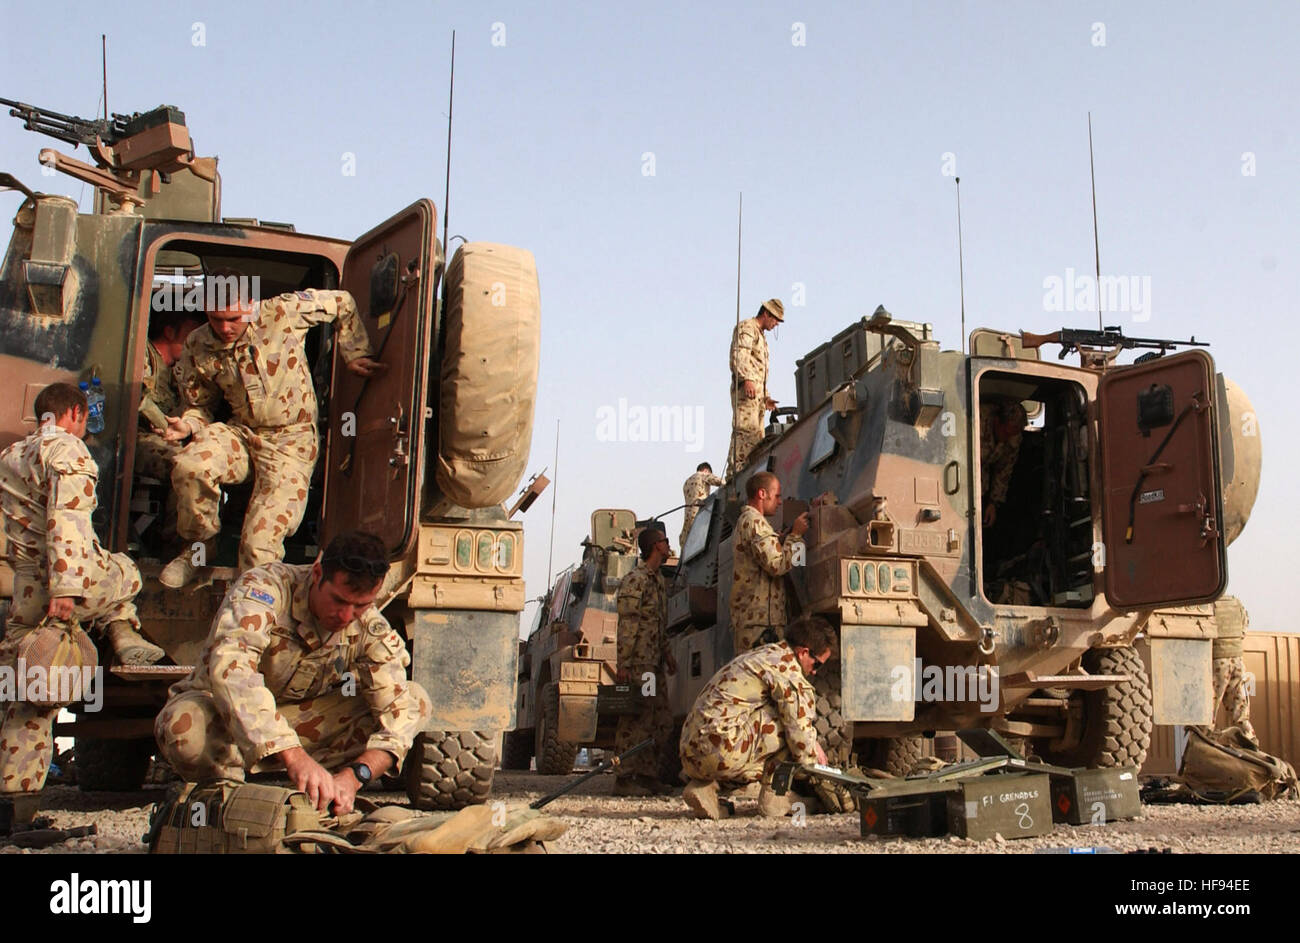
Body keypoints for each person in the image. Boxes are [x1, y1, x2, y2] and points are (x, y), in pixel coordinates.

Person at [154, 530, 432, 814]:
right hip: (228, 723)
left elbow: (397, 714)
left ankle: (316, 788)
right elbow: (231, 673)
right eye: (338, 601)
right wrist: (295, 757)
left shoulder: (369, 627)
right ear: (316, 574)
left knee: (415, 699)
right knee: (184, 728)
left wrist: (353, 778)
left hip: (301, 724)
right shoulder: (266, 588)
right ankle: (227, 787)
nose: (347, 616)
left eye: (360, 605)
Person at [159, 282, 385, 587]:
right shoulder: (198, 344)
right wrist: (188, 425)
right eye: (216, 319)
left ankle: (252, 615)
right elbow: (200, 406)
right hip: (243, 433)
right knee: (190, 465)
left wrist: (354, 352)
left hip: (291, 441)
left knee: (258, 545)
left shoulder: (281, 312)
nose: (225, 328)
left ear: (250, 305)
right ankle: (200, 548)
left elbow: (342, 301)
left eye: (234, 318)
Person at [0, 383, 159, 795]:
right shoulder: (68, 450)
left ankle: (16, 800)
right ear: (76, 413)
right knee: (126, 573)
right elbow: (66, 518)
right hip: (60, 582)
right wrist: (67, 588)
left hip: (24, 585)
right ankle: (123, 632)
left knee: (29, 690)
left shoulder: (12, 455)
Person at [678, 615, 835, 819]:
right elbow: (800, 737)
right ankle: (776, 798)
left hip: (690, 754)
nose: (814, 672)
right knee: (790, 723)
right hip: (718, 752)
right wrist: (820, 774)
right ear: (803, 652)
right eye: (817, 665)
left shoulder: (764, 654)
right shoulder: (787, 670)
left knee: (777, 718)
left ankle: (703, 787)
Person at [612, 527, 678, 796]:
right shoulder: (635, 580)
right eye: (665, 541)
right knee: (636, 719)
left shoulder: (657, 580)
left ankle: (648, 774)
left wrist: (668, 655)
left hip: (654, 664)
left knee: (660, 720)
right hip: (639, 664)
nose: (668, 545)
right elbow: (628, 624)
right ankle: (624, 777)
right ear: (654, 546)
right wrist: (624, 664)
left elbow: (658, 624)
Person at [731, 471, 808, 652]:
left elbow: (796, 563)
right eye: (777, 496)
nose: (780, 502)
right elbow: (778, 566)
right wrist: (796, 536)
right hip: (759, 625)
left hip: (763, 622)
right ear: (762, 494)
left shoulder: (754, 522)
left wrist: (785, 540)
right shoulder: (754, 522)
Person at [728, 298, 783, 475]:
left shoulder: (760, 335)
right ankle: (735, 474)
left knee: (755, 438)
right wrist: (746, 380)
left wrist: (766, 397)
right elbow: (739, 355)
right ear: (765, 313)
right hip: (746, 392)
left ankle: (747, 472)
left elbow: (759, 370)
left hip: (756, 396)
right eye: (775, 319)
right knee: (744, 433)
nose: (775, 324)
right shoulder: (747, 328)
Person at [1211, 595, 1258, 745]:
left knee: (1209, 709)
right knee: (1240, 709)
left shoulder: (1208, 604)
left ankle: (1205, 743)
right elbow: (1244, 629)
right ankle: (1249, 738)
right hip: (1238, 660)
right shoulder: (1236, 603)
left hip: (1218, 661)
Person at [979, 398, 1027, 527]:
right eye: (1006, 432)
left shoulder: (1013, 436)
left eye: (1013, 434)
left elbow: (1004, 470)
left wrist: (993, 503)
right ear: (997, 422)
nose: (1008, 438)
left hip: (982, 484)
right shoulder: (978, 420)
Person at [679, 461, 724, 549]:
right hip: (700, 514)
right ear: (706, 470)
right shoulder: (702, 474)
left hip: (688, 516)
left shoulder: (686, 482)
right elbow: (720, 481)